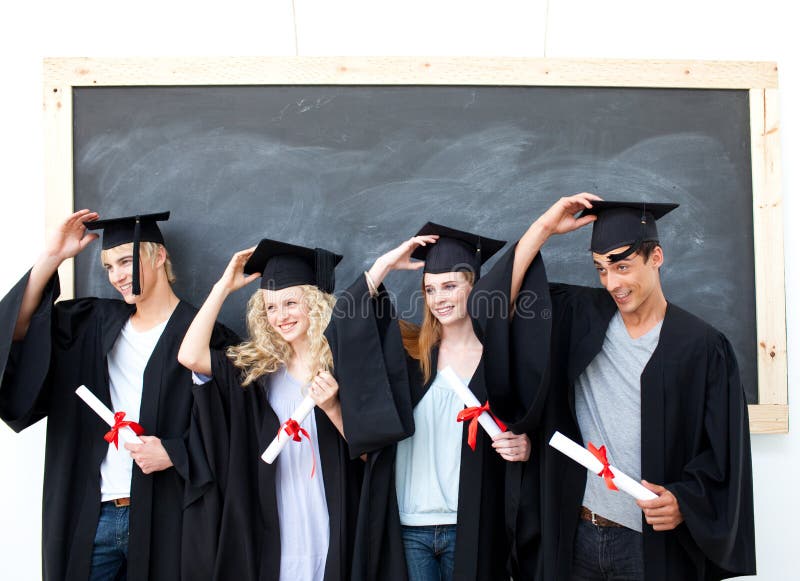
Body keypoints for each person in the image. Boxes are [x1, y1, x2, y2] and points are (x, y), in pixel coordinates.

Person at [510, 195, 756, 580]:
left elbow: (723, 454)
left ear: (656, 257)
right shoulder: (578, 315)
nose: (612, 283)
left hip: (647, 544)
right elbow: (500, 305)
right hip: (576, 534)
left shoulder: (702, 346)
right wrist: (544, 227)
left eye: (623, 267)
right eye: (601, 269)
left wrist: (685, 502)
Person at [0, 209, 237, 581]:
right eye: (109, 267)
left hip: (167, 514)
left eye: (126, 261)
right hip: (94, 513)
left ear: (158, 256)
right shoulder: (90, 324)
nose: (117, 276)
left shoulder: (207, 337)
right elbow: (18, 328)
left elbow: (233, 430)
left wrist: (175, 452)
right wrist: (53, 256)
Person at [330, 222, 538, 581]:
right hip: (410, 528)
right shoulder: (410, 355)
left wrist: (524, 445)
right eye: (430, 289)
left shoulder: (499, 360)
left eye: (450, 286)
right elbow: (346, 324)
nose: (439, 298)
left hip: (471, 523)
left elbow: (531, 426)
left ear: (474, 287)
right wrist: (384, 265)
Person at [177, 239, 362, 581]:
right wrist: (222, 287)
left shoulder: (344, 364)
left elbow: (371, 456)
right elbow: (189, 355)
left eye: (291, 303)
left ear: (315, 304)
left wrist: (334, 407)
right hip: (276, 513)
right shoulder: (259, 371)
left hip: (331, 510)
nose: (280, 317)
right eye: (270, 307)